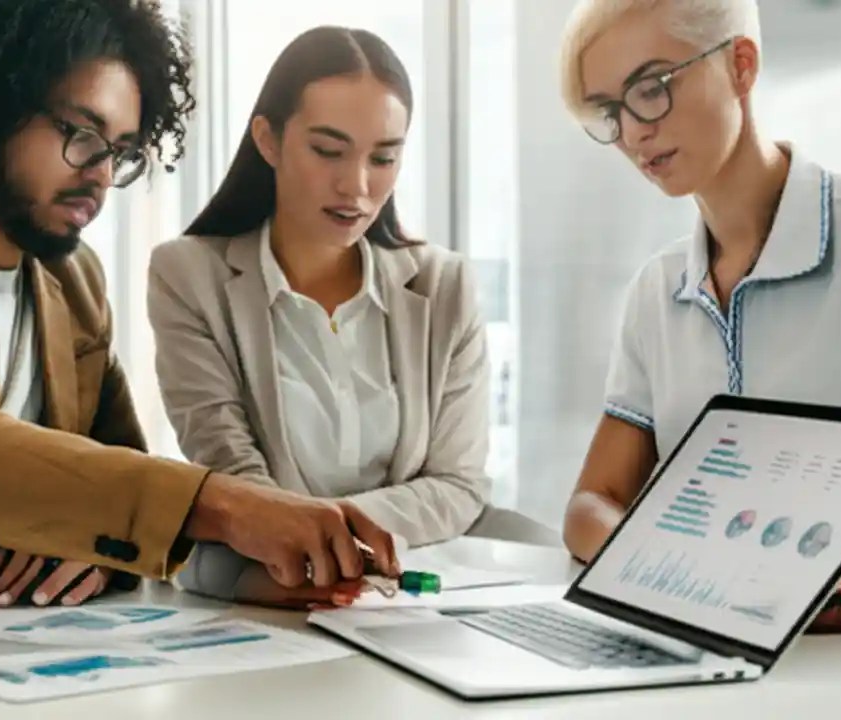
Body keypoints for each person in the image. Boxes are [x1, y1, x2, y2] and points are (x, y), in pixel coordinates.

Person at [0, 0, 398, 615]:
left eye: (124, 152)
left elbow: (114, 489)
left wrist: (108, 554)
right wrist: (223, 501)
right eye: (83, 133)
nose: (102, 173)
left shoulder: (72, 282)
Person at [556, 0, 841, 619]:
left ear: (741, 66)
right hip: (733, 653)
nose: (635, 129)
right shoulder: (658, 291)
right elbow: (593, 501)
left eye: (651, 88)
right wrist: (664, 569)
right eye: (610, 109)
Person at [149, 26, 550, 607]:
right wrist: (303, 539)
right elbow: (232, 473)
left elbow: (459, 484)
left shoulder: (444, 285)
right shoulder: (188, 275)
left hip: (425, 578)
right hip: (269, 573)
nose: (357, 186)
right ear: (268, 139)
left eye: (384, 157)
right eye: (328, 151)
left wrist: (329, 529)